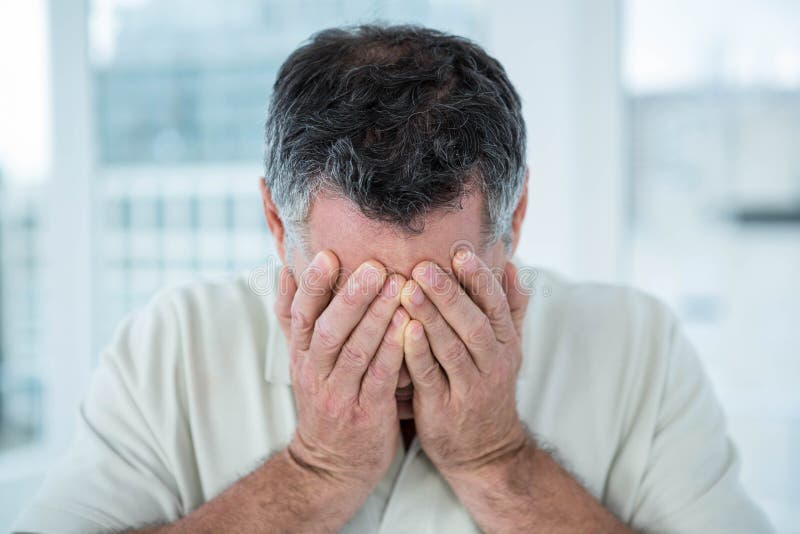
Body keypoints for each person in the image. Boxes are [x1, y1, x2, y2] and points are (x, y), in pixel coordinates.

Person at [14, 24, 772, 533]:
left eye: (446, 296)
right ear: (277, 225)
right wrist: (314, 474)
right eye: (357, 297)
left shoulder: (639, 347)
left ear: (515, 220)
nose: (402, 350)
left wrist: (498, 461)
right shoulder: (171, 346)